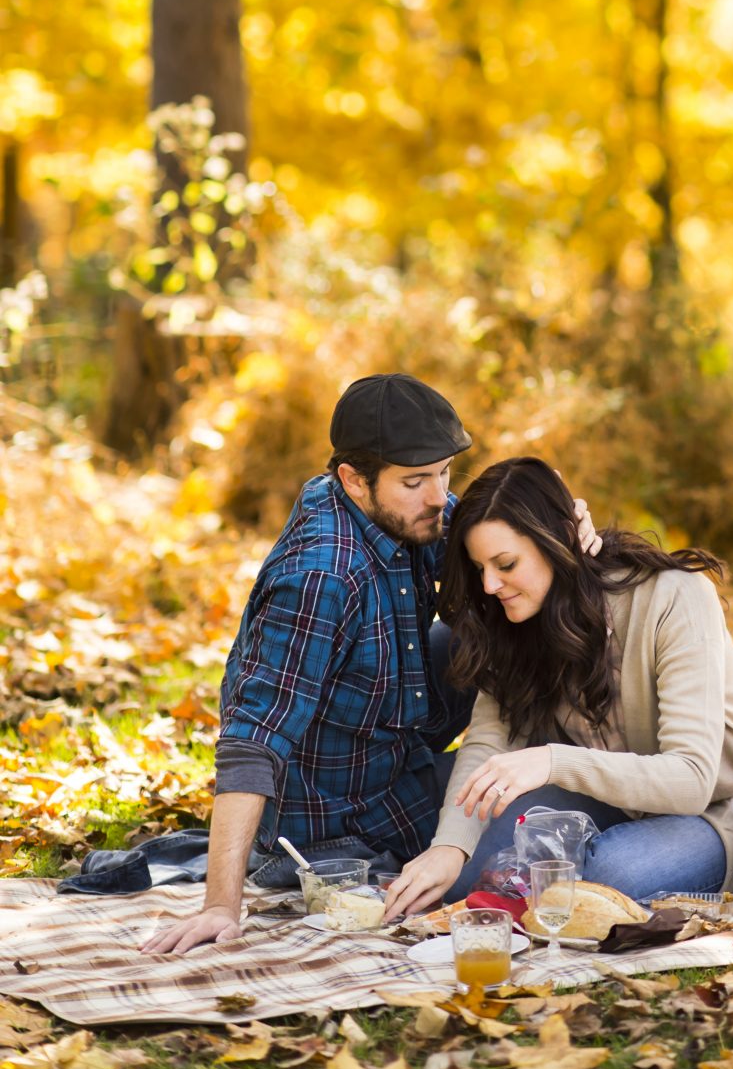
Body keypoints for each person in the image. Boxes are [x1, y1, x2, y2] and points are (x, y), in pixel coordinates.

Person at [143, 376, 599, 956]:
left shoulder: (407, 512)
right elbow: (252, 739)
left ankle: (569, 749)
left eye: (443, 474)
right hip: (340, 814)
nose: (439, 497)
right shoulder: (320, 578)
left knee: (495, 613)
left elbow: (500, 530)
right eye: (416, 481)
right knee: (551, 821)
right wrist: (219, 905)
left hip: (393, 746)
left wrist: (561, 522)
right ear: (354, 480)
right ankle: (567, 775)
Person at [384, 455, 733, 917]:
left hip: (716, 808)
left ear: (555, 543)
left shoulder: (675, 596)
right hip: (611, 796)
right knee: (471, 876)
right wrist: (449, 849)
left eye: (506, 563)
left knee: (611, 874)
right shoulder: (512, 618)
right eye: (479, 569)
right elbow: (488, 745)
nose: (490, 584)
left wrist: (552, 761)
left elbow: (691, 780)